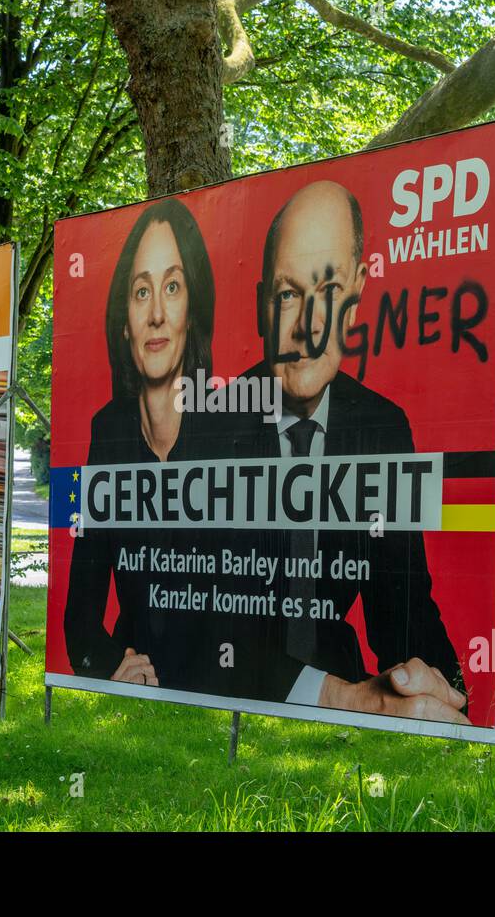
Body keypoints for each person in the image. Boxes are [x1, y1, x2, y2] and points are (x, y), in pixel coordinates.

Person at [232, 179, 469, 724]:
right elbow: (202, 624)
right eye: (289, 294)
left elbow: (402, 603)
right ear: (263, 302)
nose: (309, 326)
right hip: (241, 688)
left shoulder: (382, 426)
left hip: (345, 683)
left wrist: (448, 698)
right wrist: (341, 698)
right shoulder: (208, 425)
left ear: (359, 294)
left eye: (331, 291)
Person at [63, 197, 220, 688]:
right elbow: (79, 617)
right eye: (140, 291)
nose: (155, 314)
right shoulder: (108, 432)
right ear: (125, 321)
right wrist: (115, 667)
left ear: (191, 310)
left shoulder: (232, 433)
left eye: (172, 287)